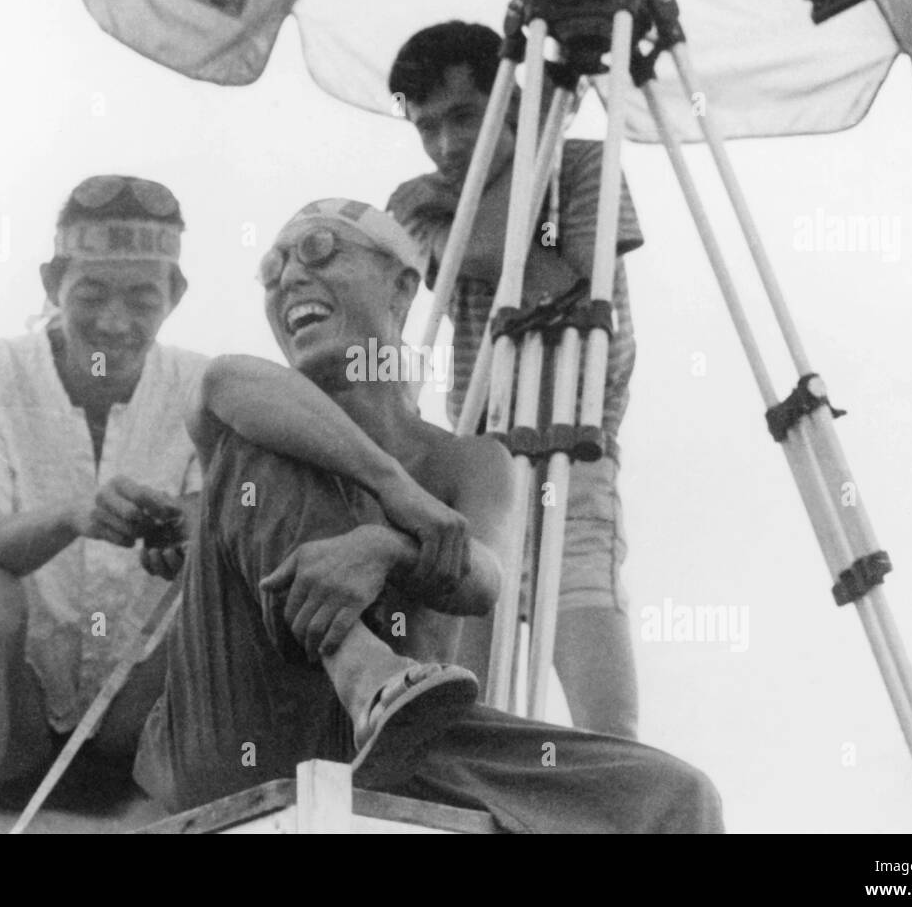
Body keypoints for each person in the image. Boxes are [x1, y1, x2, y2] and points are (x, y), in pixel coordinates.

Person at [133, 198, 722, 833]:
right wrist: (398, 493)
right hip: (243, 731)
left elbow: (485, 579)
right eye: (271, 270)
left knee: (675, 794)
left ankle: (379, 692)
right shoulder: (251, 418)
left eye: (317, 251)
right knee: (265, 438)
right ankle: (361, 669)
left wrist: (385, 549)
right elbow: (221, 380)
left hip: (401, 741)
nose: (289, 280)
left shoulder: (469, 461)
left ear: (403, 284)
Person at [0, 175, 208, 833]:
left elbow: (235, 522)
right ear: (51, 284)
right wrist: (76, 514)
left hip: (138, 727)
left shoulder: (202, 388)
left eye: (142, 298)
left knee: (217, 585)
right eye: (90, 294)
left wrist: (186, 526)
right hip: (16, 729)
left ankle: (199, 811)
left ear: (175, 296)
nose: (115, 322)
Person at [386, 21, 643, 740]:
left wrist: (480, 197)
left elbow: (543, 273)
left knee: (606, 715)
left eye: (465, 116)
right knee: (469, 701)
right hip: (479, 463)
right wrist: (487, 192)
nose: (445, 146)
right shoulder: (429, 202)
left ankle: (619, 804)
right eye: (427, 127)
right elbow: (502, 258)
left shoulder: (588, 163)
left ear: (512, 104)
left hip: (576, 448)